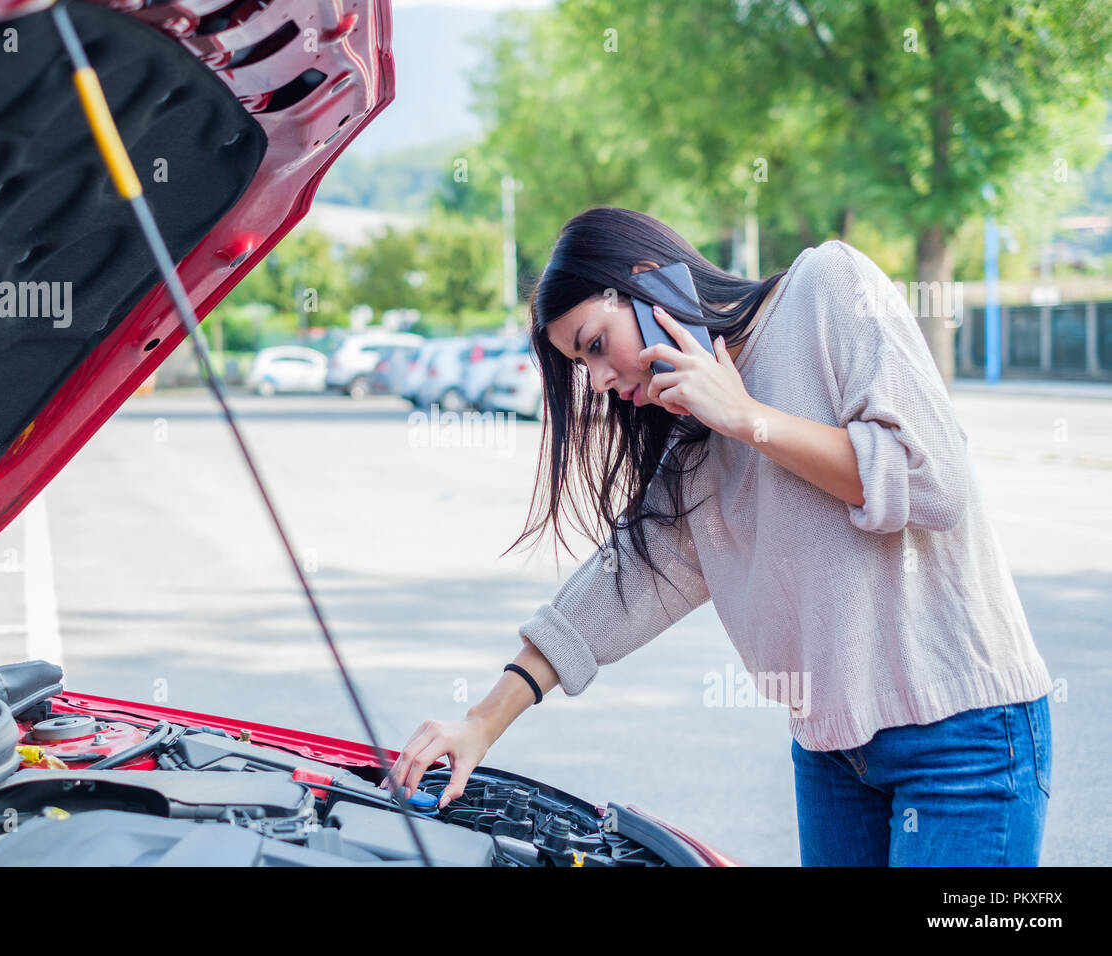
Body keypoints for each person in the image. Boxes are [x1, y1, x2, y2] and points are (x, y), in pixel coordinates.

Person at [380, 206, 1054, 867]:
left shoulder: (827, 287)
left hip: (962, 737)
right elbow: (623, 584)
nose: (599, 381)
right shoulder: (694, 443)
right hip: (832, 756)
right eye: (581, 367)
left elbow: (934, 481)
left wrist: (748, 418)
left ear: (646, 281)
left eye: (593, 345)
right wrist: (483, 721)